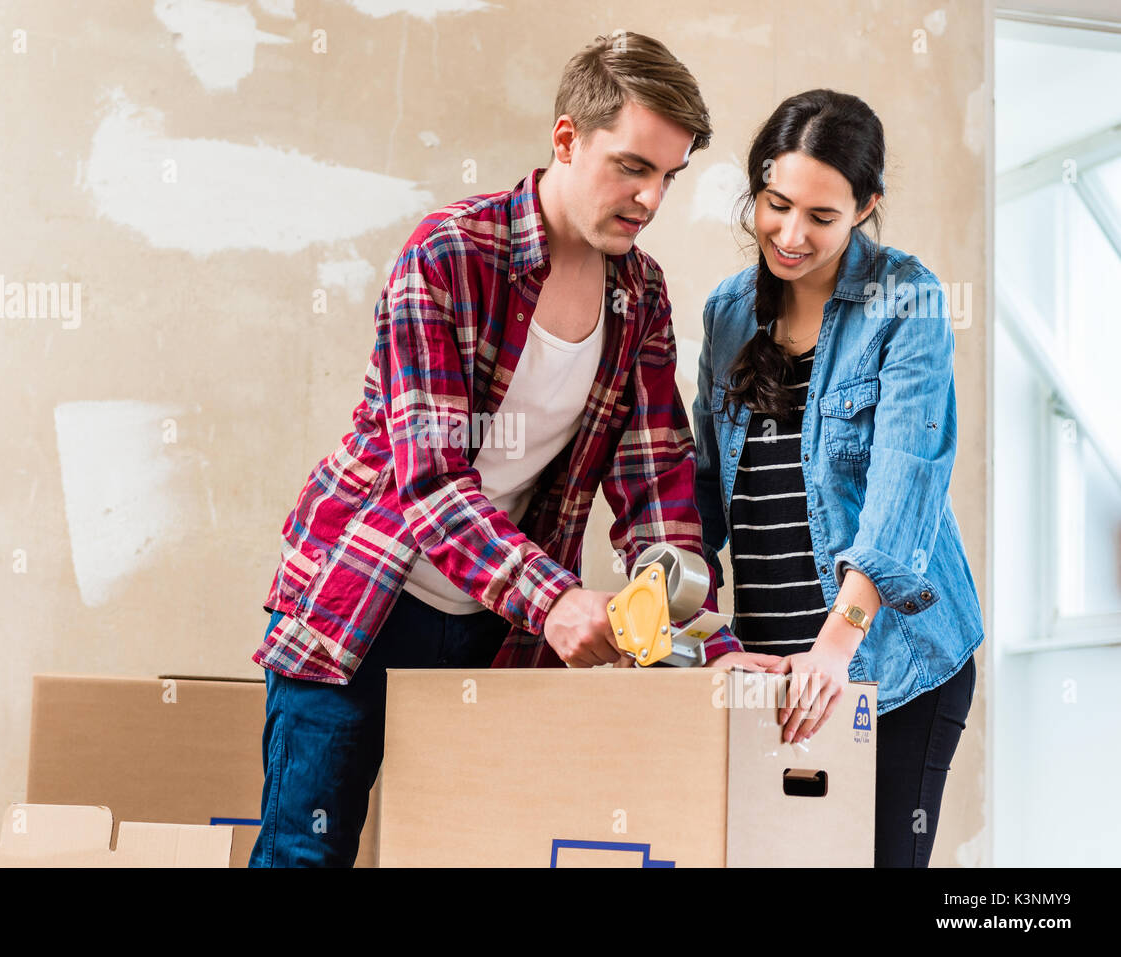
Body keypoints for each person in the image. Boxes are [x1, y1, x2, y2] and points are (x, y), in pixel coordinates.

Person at [251, 32, 776, 868]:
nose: (648, 197)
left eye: (668, 177)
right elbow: (430, 483)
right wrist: (559, 601)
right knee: (305, 857)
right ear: (567, 139)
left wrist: (704, 637)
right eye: (632, 166)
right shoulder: (448, 253)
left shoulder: (640, 295)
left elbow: (656, 484)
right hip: (360, 608)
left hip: (494, 631)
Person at [690, 88, 985, 867]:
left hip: (892, 666)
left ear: (866, 207)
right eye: (775, 204)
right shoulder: (727, 314)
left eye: (821, 217)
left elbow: (904, 486)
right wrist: (694, 628)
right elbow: (703, 494)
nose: (789, 235)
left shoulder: (906, 299)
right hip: (771, 668)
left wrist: (835, 647)